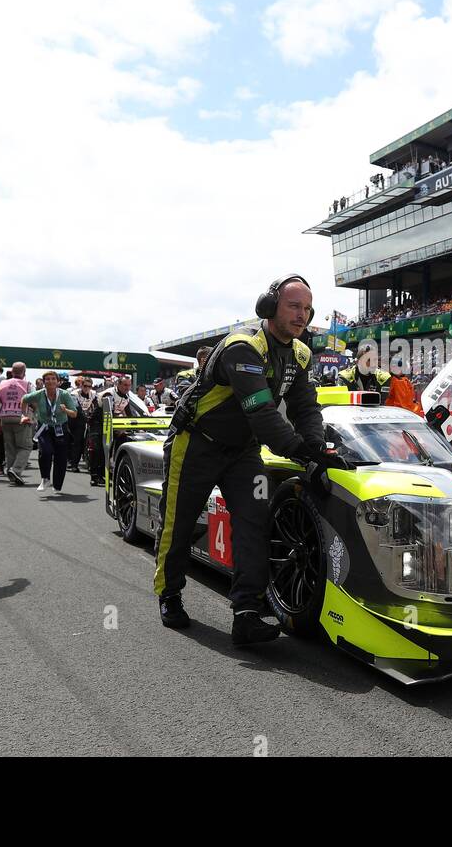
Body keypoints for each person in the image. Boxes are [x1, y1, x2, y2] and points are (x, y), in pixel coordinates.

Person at [154, 275, 329, 645]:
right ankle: (169, 595)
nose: (302, 315)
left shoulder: (300, 353)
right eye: (294, 306)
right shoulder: (242, 347)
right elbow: (263, 414)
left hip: (243, 452)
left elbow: (305, 407)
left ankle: (247, 613)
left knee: (255, 522)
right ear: (269, 308)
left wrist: (316, 448)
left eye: (308, 308)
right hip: (196, 442)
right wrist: (302, 451)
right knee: (179, 522)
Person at [23, 371, 78, 495]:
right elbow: (24, 399)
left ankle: (57, 485)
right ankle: (45, 479)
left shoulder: (64, 395)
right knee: (45, 451)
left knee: (61, 457)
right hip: (44, 428)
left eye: (53, 379)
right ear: (43, 382)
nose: (50, 381)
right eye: (47, 379)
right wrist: (24, 415)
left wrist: (65, 410)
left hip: (60, 428)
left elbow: (74, 413)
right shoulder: (39, 394)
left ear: (58, 382)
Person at [0, 362, 34, 485]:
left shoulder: (2, 384)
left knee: (10, 447)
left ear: (12, 372)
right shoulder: (28, 385)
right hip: (21, 417)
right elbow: (33, 401)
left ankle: (12, 475)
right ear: (24, 373)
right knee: (25, 446)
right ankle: (16, 470)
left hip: (5, 417)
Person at [69, 375, 96, 472]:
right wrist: (85, 417)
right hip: (74, 418)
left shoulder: (93, 394)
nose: (87, 388)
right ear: (81, 386)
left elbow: (97, 404)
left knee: (84, 442)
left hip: (85, 418)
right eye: (85, 386)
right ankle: (73, 464)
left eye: (89, 386)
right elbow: (77, 408)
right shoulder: (74, 394)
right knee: (76, 441)